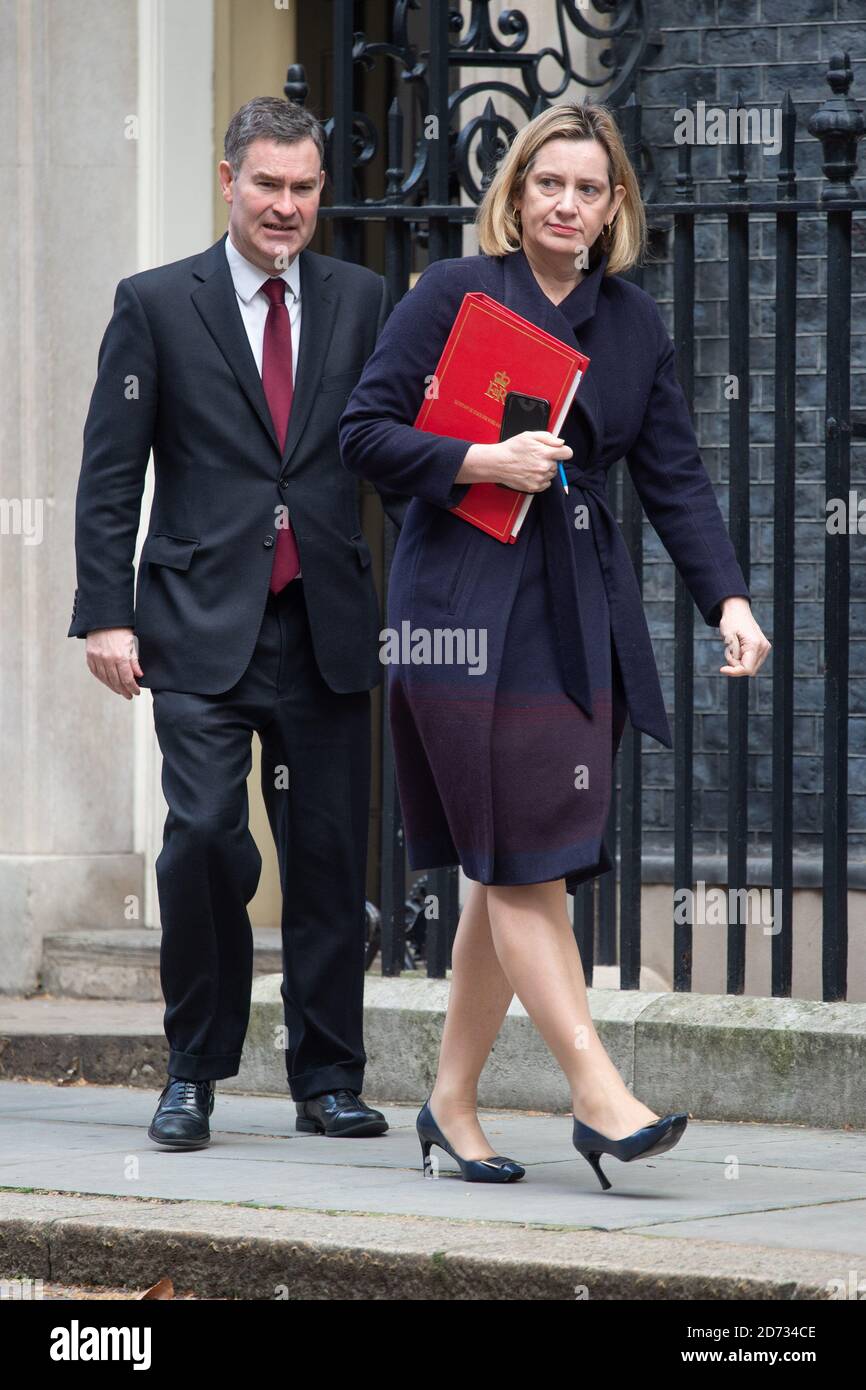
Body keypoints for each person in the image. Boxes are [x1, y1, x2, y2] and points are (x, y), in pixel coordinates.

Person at [339, 100, 771, 1191]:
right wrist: (481, 461)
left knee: (516, 863)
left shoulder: (632, 326)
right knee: (520, 857)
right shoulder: (452, 293)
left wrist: (726, 598)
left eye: (587, 188)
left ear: (612, 204)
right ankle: (596, 1091)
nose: (565, 204)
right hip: (455, 609)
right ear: (516, 191)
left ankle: (447, 1101)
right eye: (548, 183)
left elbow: (674, 477)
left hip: (577, 611)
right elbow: (364, 431)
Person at [69, 97, 404, 1148]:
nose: (286, 206)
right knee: (207, 836)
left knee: (326, 851)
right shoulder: (158, 303)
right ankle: (193, 1069)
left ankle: (327, 1077)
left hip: (325, 622)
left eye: (304, 189)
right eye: (268, 184)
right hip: (198, 623)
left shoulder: (362, 300)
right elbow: (110, 476)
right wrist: (103, 617)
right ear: (228, 181)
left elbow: (397, 456)